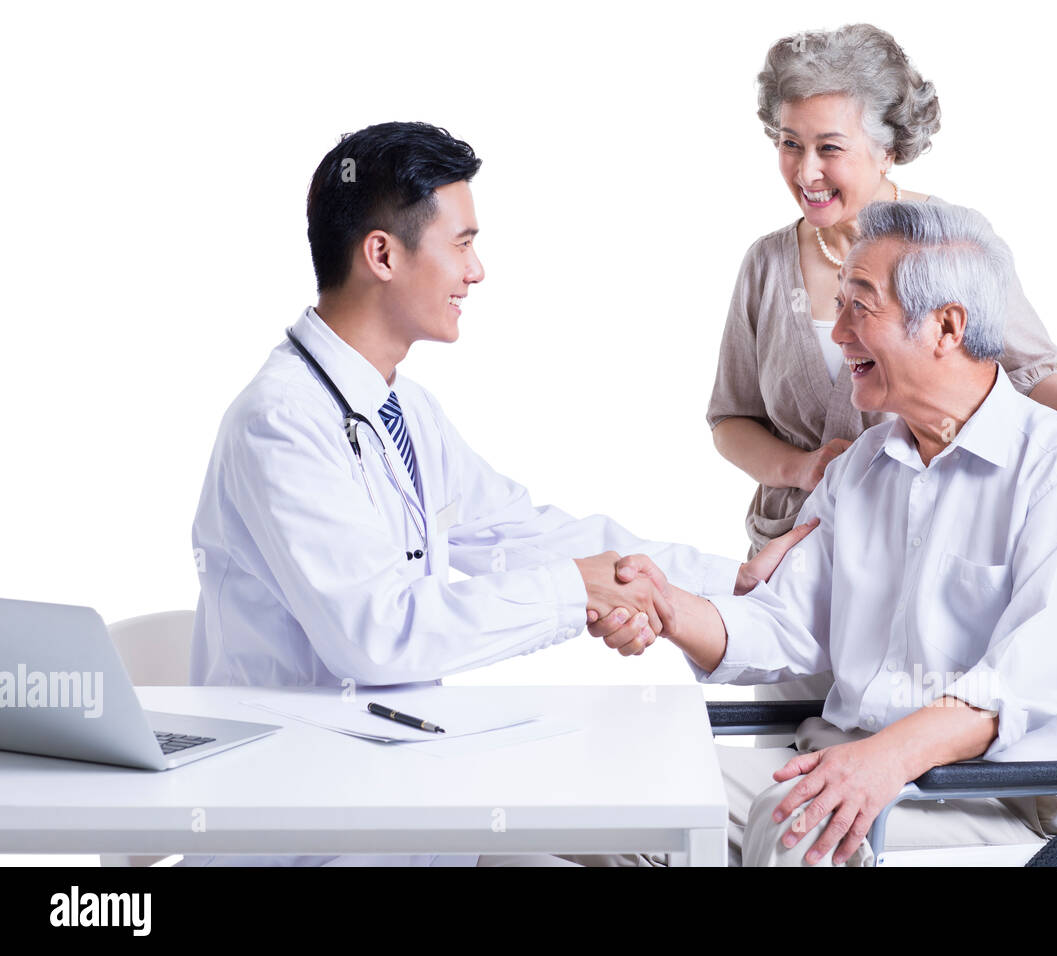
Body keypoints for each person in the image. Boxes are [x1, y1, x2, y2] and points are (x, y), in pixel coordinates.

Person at [185, 121, 806, 867]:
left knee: (634, 850)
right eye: (462, 242)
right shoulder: (281, 422)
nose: (476, 271)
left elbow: (524, 533)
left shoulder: (403, 409)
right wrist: (576, 593)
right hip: (301, 821)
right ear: (381, 253)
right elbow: (379, 635)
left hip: (397, 792)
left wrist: (718, 579)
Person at [593, 200, 1057, 866]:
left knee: (800, 818)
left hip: (993, 799)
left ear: (945, 326)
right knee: (620, 792)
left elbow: (1016, 689)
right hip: (849, 764)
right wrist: (669, 608)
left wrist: (879, 764)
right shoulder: (860, 469)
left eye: (860, 306)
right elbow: (786, 624)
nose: (839, 332)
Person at [709, 23, 1057, 703]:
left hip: (922, 571)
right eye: (789, 144)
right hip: (796, 567)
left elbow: (1023, 366)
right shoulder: (766, 264)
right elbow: (730, 417)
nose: (805, 171)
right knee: (795, 761)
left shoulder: (947, 247)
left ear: (888, 148)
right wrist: (803, 469)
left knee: (887, 757)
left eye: (829, 148)